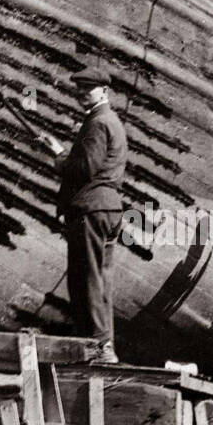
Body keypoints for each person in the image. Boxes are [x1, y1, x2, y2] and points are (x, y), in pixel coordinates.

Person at [56, 65, 127, 364]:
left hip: (92, 208)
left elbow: (84, 169)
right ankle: (100, 344)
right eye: (79, 88)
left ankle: (97, 346)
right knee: (99, 278)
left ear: (104, 91)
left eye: (88, 88)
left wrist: (60, 157)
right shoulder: (113, 121)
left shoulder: (97, 122)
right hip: (109, 207)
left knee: (86, 278)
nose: (82, 93)